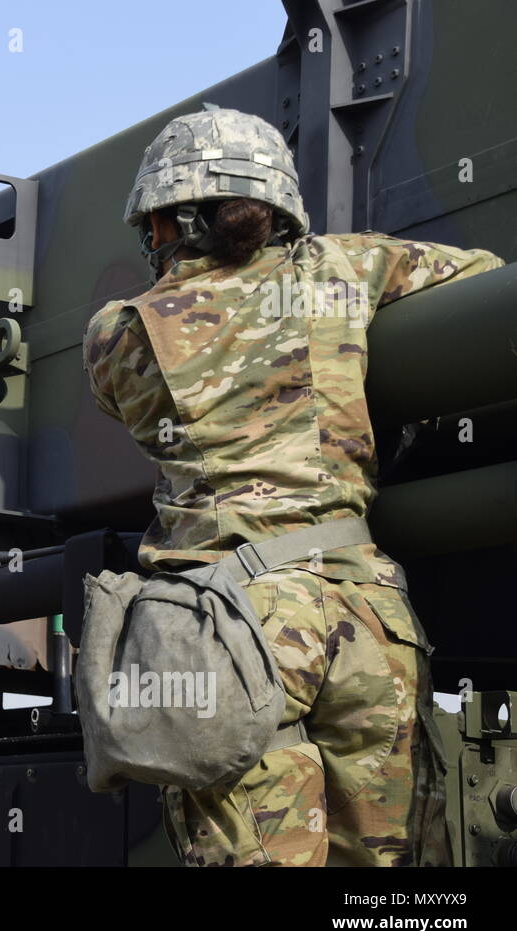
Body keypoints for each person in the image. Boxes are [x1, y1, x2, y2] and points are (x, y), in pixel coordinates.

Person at [83, 107, 503, 866]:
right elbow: (479, 275)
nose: (150, 245)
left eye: (154, 229)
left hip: (235, 623)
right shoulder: (349, 267)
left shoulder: (122, 330)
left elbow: (125, 397)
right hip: (368, 617)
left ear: (180, 220)